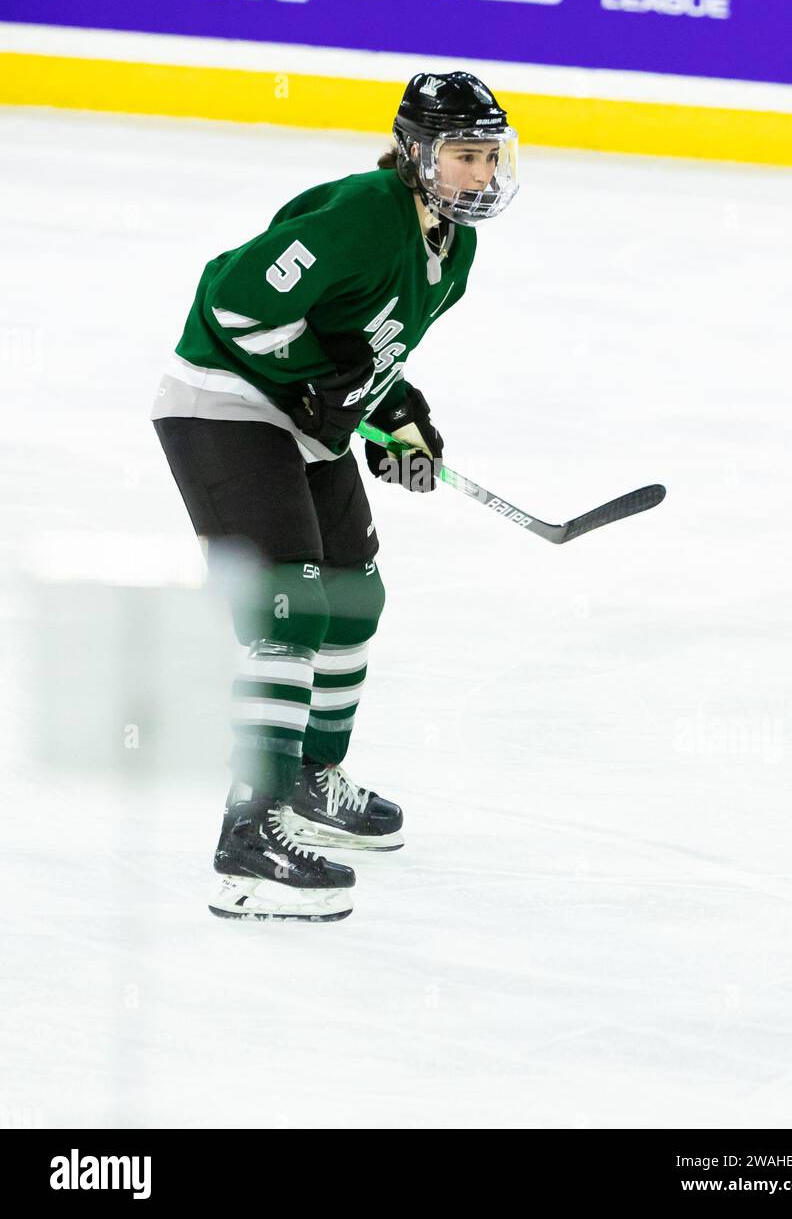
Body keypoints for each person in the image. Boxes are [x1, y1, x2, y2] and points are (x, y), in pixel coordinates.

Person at [151, 71, 519, 921]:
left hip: (293, 418)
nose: (482, 173)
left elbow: (359, 347)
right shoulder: (362, 210)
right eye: (465, 155)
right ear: (417, 153)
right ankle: (251, 839)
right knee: (290, 607)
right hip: (224, 403)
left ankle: (313, 784)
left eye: (490, 155)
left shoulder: (452, 249)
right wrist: (316, 389)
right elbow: (234, 302)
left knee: (351, 596)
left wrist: (401, 422)